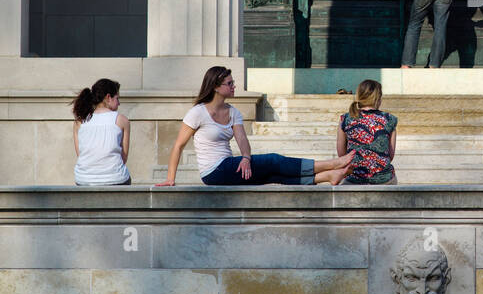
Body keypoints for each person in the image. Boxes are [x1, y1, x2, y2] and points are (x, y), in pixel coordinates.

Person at [157, 66, 355, 187]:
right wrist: (170, 178)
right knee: (273, 160)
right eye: (230, 83)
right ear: (216, 87)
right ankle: (331, 164)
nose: (234, 86)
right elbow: (178, 146)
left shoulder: (233, 112)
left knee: (272, 175)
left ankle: (328, 176)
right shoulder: (197, 113)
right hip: (213, 171)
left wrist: (245, 158)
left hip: (230, 165)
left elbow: (242, 140)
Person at [337, 79, 398, 184]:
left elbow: (341, 154)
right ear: (378, 99)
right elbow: (390, 155)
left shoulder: (346, 118)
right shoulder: (389, 119)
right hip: (384, 179)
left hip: (353, 178)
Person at [72, 78, 131, 186]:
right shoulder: (122, 120)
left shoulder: (79, 121)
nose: (119, 103)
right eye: (117, 98)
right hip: (116, 178)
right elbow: (124, 157)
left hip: (83, 179)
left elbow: (80, 155)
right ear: (108, 97)